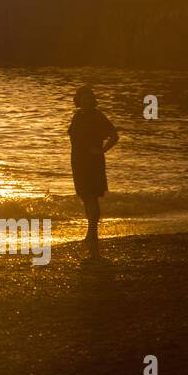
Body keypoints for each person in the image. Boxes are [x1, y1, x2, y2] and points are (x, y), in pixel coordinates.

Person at [68, 85, 118, 252]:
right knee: (85, 195)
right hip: (78, 162)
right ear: (78, 100)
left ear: (93, 100)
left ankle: (92, 233)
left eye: (89, 97)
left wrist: (102, 150)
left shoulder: (98, 116)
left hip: (92, 162)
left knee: (91, 196)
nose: (87, 100)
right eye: (83, 97)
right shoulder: (77, 116)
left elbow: (114, 135)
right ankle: (90, 232)